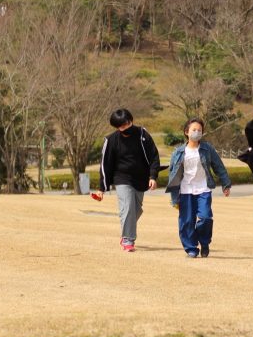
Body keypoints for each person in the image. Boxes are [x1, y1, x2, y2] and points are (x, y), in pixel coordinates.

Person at [91, 108, 161, 252]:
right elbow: (105, 165)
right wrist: (102, 188)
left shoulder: (143, 134)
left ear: (131, 120)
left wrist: (153, 176)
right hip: (121, 177)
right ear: (116, 127)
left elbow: (154, 156)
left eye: (127, 123)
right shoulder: (111, 140)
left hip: (141, 178)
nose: (125, 127)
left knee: (136, 210)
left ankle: (126, 227)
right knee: (128, 207)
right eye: (121, 126)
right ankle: (128, 239)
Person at [165, 118, 232, 258]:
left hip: (203, 189)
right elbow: (172, 173)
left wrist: (226, 184)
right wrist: (174, 194)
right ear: (186, 132)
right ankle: (191, 248)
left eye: (199, 130)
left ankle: (204, 242)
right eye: (194, 130)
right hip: (185, 190)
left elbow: (219, 166)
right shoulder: (178, 152)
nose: (197, 132)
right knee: (187, 221)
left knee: (206, 218)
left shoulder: (208, 149)